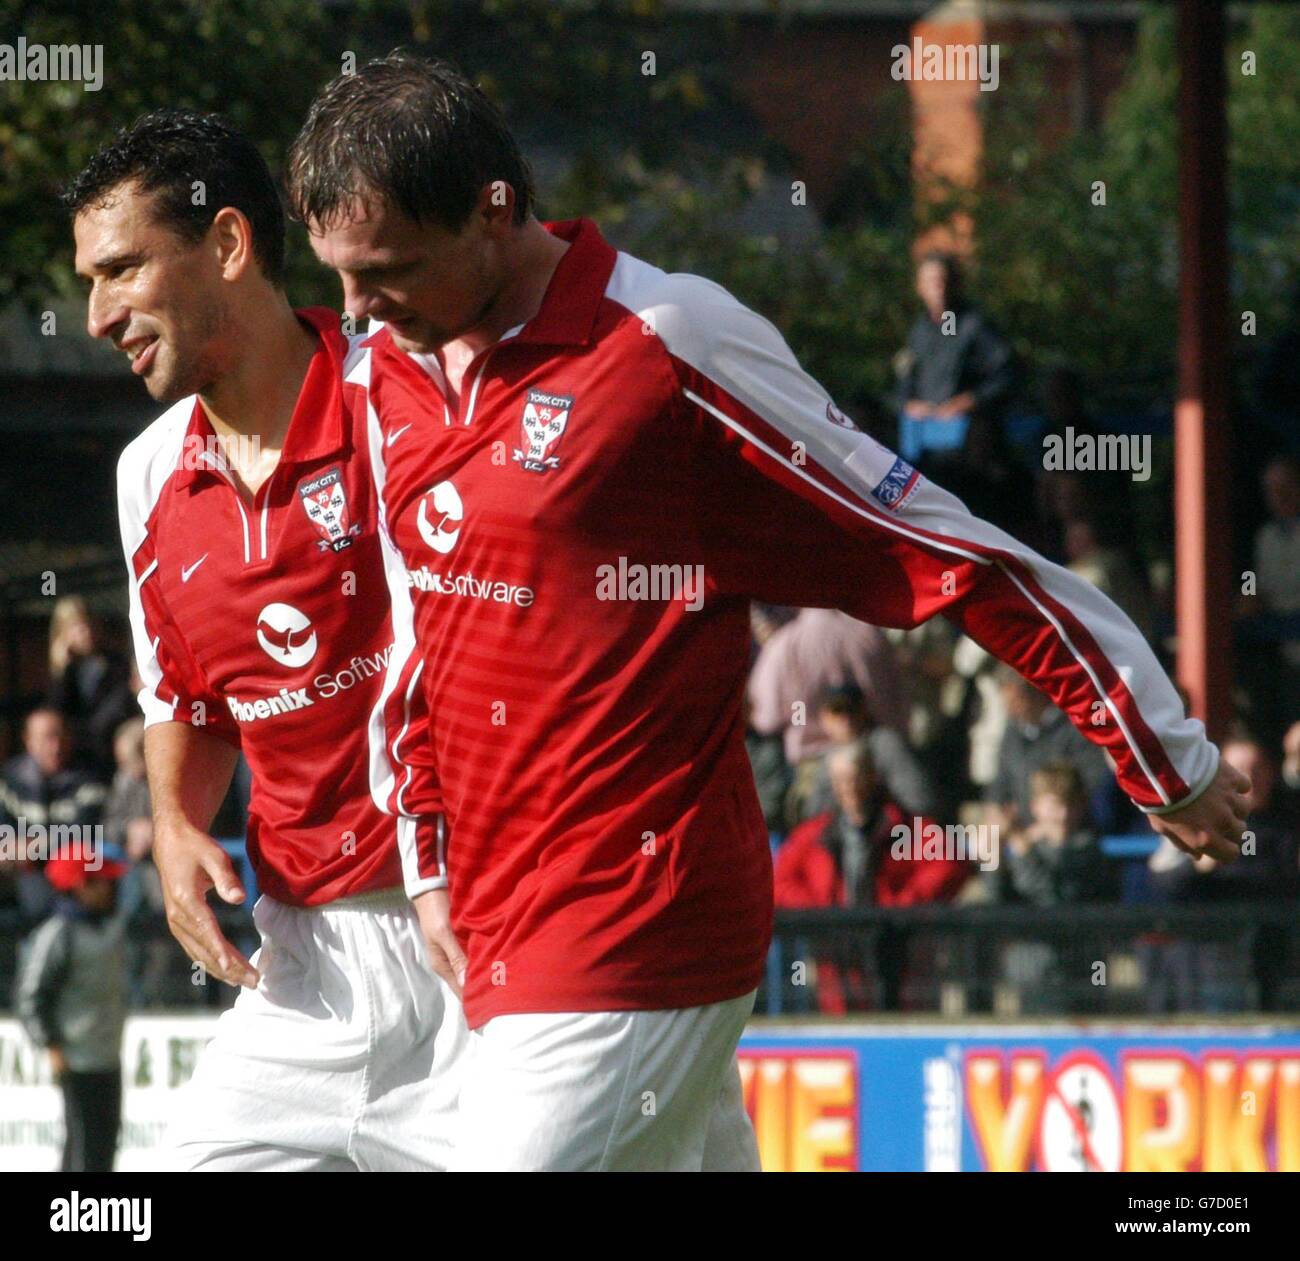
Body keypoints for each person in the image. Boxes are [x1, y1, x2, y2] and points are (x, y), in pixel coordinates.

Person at [288, 52, 1250, 1172]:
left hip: (637, 915)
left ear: (494, 212)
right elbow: (419, 640)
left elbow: (940, 543)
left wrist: (1158, 749)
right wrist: (431, 861)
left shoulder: (665, 341)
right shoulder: (383, 372)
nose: (356, 309)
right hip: (497, 922)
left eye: (387, 270)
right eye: (340, 276)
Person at [67, 109, 467, 1171]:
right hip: (307, 972)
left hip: (482, 936)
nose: (97, 314)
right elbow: (184, 700)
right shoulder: (147, 473)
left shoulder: (409, 400)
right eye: (87, 283)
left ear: (230, 244)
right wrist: (176, 825)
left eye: (121, 271)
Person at [15, 850, 129, 1172]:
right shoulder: (57, 934)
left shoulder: (109, 926)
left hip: (107, 1054)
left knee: (104, 1142)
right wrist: (50, 1043)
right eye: (100, 882)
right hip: (76, 1057)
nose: (108, 888)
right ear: (80, 886)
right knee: (83, 1147)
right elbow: (29, 996)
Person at [0, 708, 107, 921]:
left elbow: (85, 833)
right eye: (46, 738)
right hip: (20, 872)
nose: (55, 747)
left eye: (60, 736)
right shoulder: (10, 780)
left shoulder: (89, 778)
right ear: (28, 741)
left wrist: (34, 846)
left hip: (74, 882)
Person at [46, 597, 136, 777]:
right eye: (77, 627)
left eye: (89, 624)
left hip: (107, 747)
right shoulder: (66, 673)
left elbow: (119, 705)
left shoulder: (115, 665)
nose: (86, 632)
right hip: (76, 756)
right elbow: (57, 713)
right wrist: (62, 672)